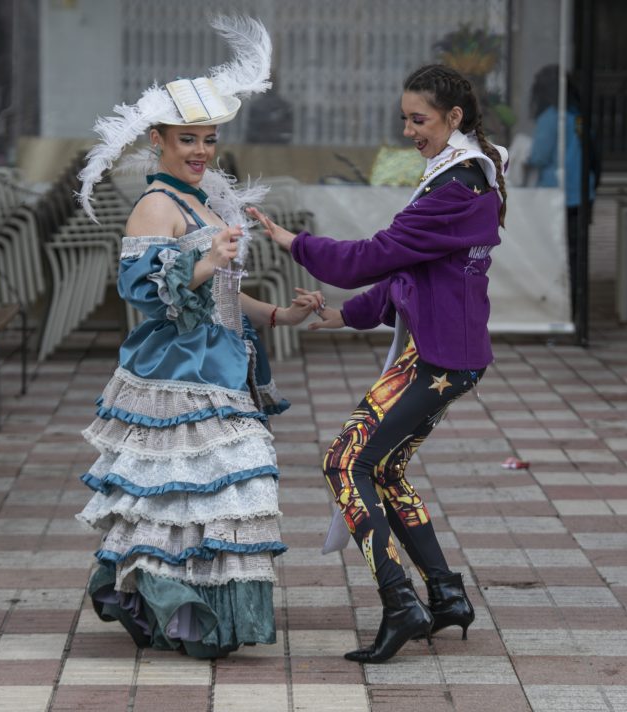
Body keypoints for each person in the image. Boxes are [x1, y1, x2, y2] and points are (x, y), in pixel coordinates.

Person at [73, 16, 323, 657]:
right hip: (178, 374)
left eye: (208, 140)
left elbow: (221, 295)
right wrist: (206, 260)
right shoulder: (157, 203)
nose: (201, 152)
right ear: (157, 139)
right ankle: (178, 614)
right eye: (188, 139)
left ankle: (190, 616)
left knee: (206, 496)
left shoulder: (205, 201)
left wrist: (277, 315)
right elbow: (139, 289)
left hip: (219, 364)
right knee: (197, 492)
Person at [249, 63, 507, 664]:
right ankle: (445, 596)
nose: (410, 131)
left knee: (344, 463)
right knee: (382, 471)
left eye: (419, 120)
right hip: (446, 354)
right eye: (405, 120)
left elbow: (376, 256)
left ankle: (401, 604)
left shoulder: (458, 186)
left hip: (436, 359)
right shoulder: (462, 176)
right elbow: (413, 271)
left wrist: (295, 242)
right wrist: (347, 316)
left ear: (454, 118)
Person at [525, 64, 597, 320]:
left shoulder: (551, 117)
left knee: (554, 254)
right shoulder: (577, 115)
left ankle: (557, 310)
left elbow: (539, 156)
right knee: (576, 254)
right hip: (582, 192)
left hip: (554, 195)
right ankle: (576, 309)